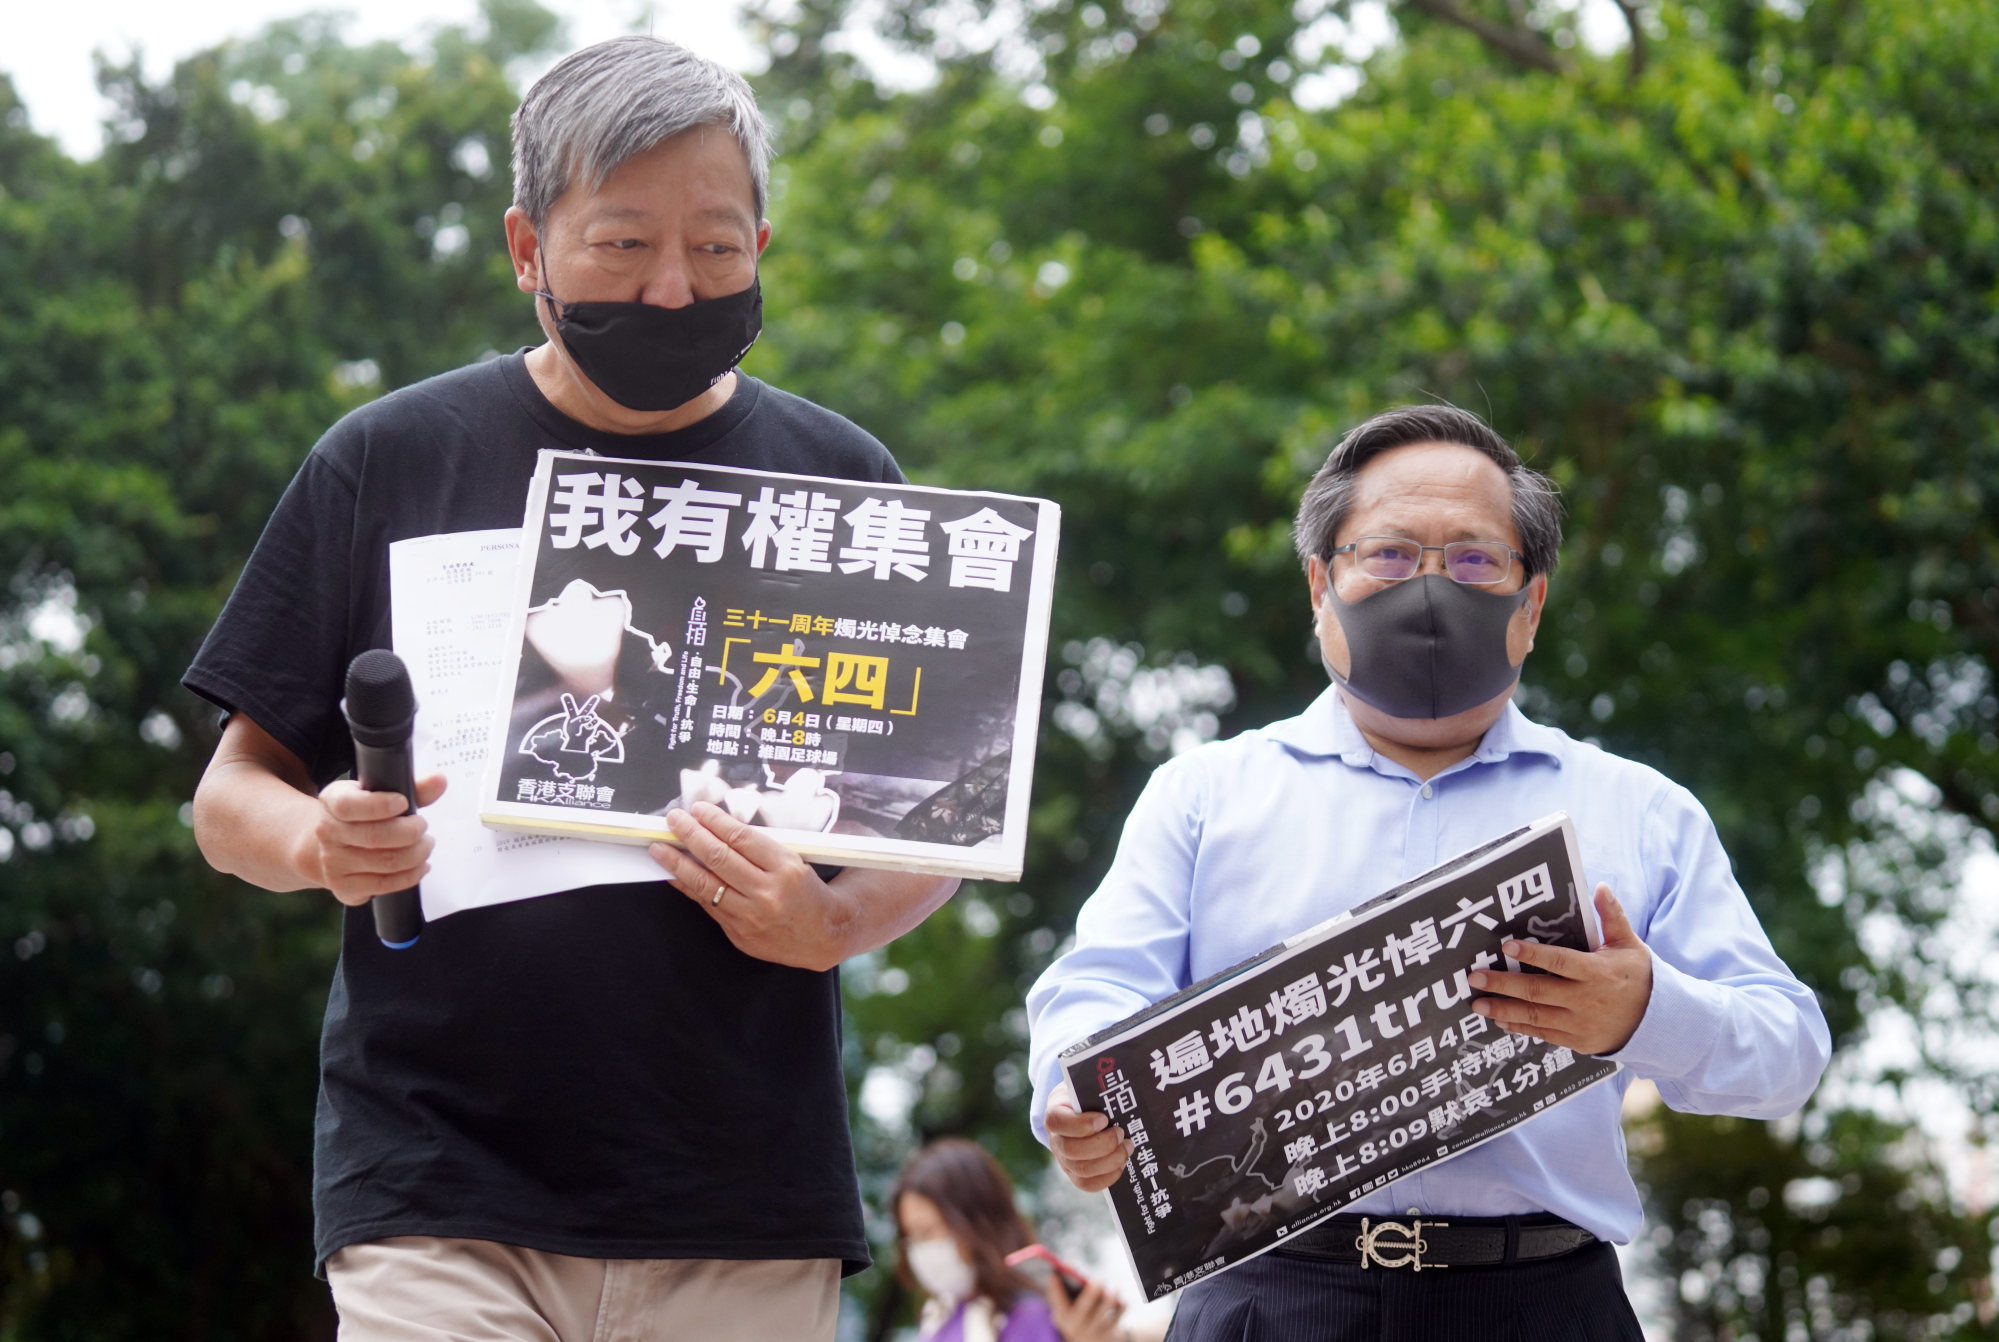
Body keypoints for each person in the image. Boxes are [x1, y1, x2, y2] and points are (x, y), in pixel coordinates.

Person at [184, 37, 957, 1340]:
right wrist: (322, 842)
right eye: (620, 245)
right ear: (525, 246)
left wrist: (831, 925)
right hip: (435, 1174)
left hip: (738, 1184)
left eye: (716, 249)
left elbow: (935, 816)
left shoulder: (842, 485)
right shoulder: (387, 459)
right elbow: (229, 795)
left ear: (762, 240)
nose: (671, 291)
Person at [1024, 406, 1830, 1339]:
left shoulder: (1640, 811)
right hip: (1268, 1296)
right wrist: (1070, 1099)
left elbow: (1788, 1052)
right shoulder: (1203, 794)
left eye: (1476, 559)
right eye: (1392, 555)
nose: (1432, 587)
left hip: (1540, 1301)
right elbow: (1099, 985)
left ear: (1529, 606)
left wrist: (1645, 1010)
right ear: (1321, 586)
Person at [893, 1139, 1134, 1342]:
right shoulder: (938, 1321)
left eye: (927, 1231)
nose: (918, 1250)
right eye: (910, 1237)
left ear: (976, 1221)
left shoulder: (1041, 1315)